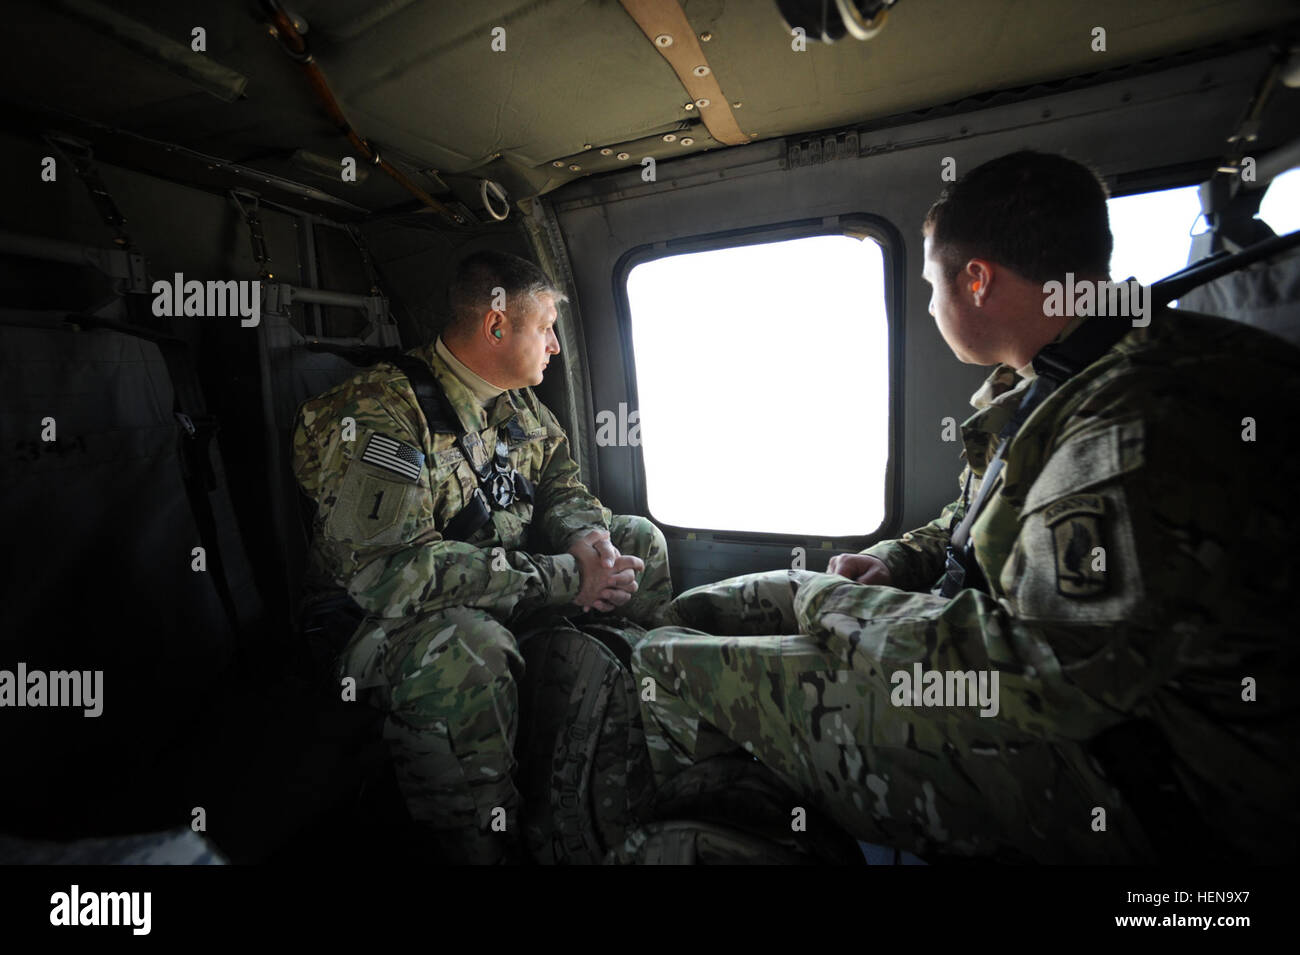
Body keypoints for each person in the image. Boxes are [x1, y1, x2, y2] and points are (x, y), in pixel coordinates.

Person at [632, 151, 1299, 864]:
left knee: (666, 661)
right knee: (698, 615)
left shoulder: (1135, 419)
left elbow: (1042, 669)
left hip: (1126, 778)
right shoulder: (1068, 375)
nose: (926, 304)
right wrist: (894, 560)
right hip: (1055, 694)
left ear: (976, 279)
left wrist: (829, 607)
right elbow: (973, 524)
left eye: (928, 283)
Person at [292, 250, 671, 863]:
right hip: (376, 620)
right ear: (497, 326)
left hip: (495, 584)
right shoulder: (378, 411)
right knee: (474, 650)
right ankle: (482, 842)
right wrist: (566, 579)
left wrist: (587, 540)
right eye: (545, 327)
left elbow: (560, 483)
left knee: (637, 539)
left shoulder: (517, 403)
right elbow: (390, 574)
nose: (554, 345)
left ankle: (641, 731)